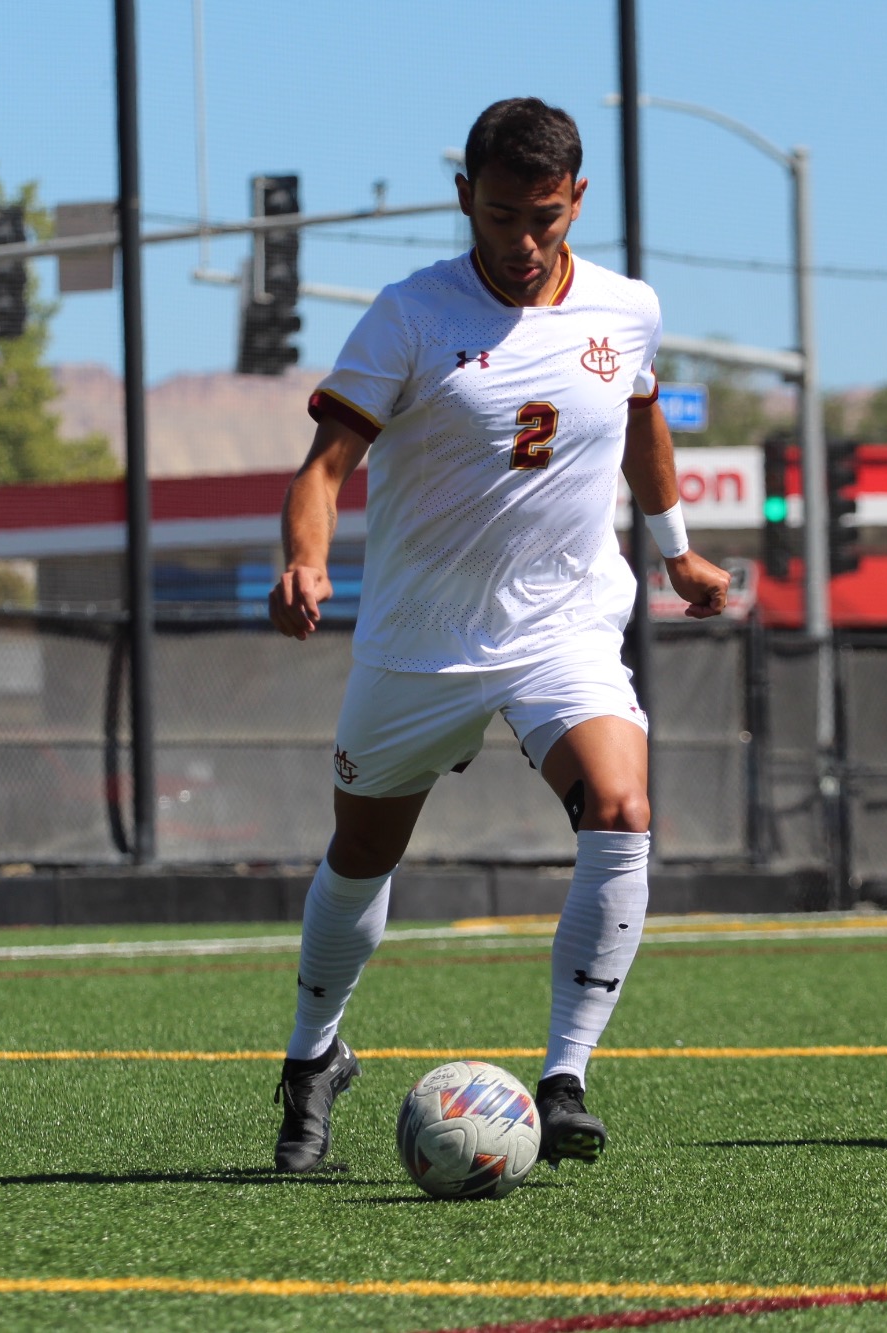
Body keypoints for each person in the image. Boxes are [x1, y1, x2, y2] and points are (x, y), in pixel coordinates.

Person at [264, 97, 732, 1173]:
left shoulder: (626, 309)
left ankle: (564, 1078)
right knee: (361, 855)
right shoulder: (409, 315)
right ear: (463, 198)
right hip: (421, 641)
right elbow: (324, 469)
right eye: (501, 217)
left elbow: (641, 420)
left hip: (563, 623)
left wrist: (675, 551)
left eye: (545, 219)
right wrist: (304, 557)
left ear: (575, 203)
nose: (523, 244)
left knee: (620, 804)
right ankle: (311, 1057)